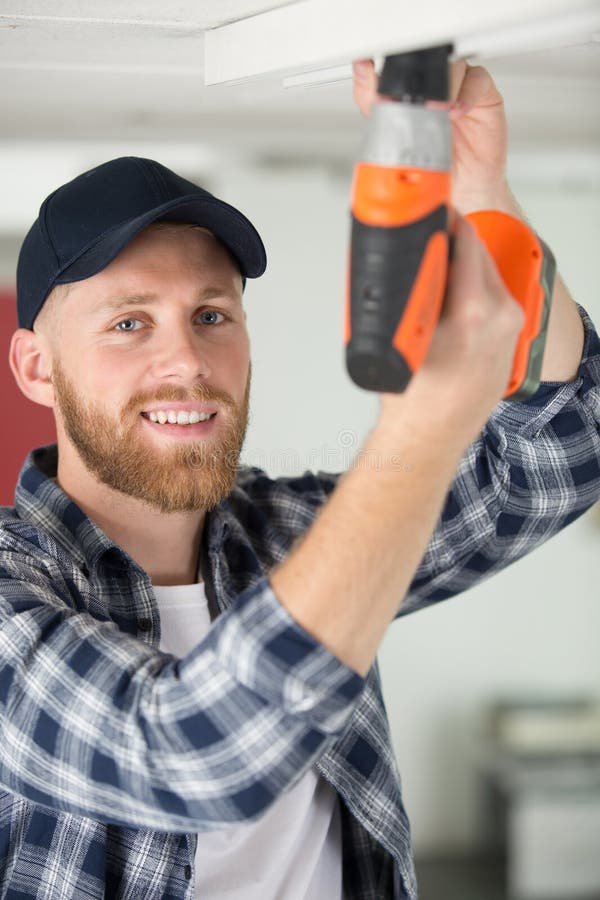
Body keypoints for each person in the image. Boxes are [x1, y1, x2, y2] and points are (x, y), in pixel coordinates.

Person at [0, 57, 598, 900]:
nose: (186, 361)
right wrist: (421, 429)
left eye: (212, 316)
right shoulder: (11, 590)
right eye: (129, 323)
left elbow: (559, 458)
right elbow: (190, 758)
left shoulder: (292, 535)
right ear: (35, 368)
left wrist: (483, 197)